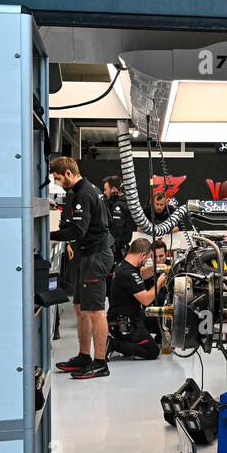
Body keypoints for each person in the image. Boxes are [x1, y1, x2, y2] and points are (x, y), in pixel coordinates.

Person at [49, 156, 114, 379]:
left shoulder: (85, 192)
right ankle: (84, 356)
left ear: (68, 172)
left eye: (58, 178)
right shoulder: (77, 192)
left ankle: (100, 362)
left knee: (95, 310)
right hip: (86, 254)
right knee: (79, 307)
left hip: (96, 254)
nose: (58, 183)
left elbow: (78, 231)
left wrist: (48, 236)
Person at [106, 237, 165, 360]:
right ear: (142, 255)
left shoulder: (125, 265)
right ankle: (114, 344)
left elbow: (141, 274)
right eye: (148, 258)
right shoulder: (127, 273)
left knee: (161, 321)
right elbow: (146, 300)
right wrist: (159, 282)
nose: (147, 261)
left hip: (131, 315)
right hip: (124, 323)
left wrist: (158, 268)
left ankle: (137, 340)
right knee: (153, 352)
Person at [102, 175, 135, 263]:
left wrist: (112, 250)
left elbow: (116, 231)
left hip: (119, 252)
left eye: (105, 189)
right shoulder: (124, 202)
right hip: (123, 249)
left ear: (113, 189)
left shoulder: (119, 205)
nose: (104, 192)